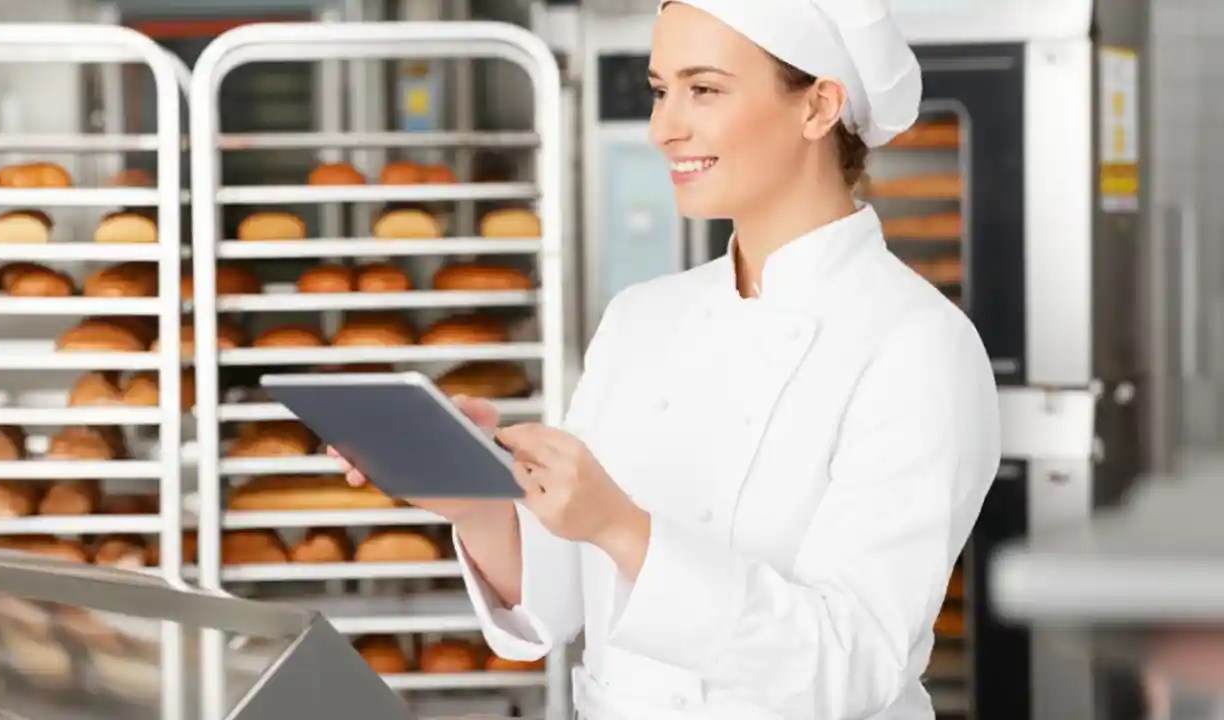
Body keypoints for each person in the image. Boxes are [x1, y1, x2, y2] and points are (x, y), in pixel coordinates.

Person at [333, 0, 1001, 717]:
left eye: (703, 89)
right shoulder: (640, 319)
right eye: (659, 90)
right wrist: (471, 498)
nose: (662, 127)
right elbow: (561, 601)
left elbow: (852, 667)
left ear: (818, 107)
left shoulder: (917, 343)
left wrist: (624, 526)